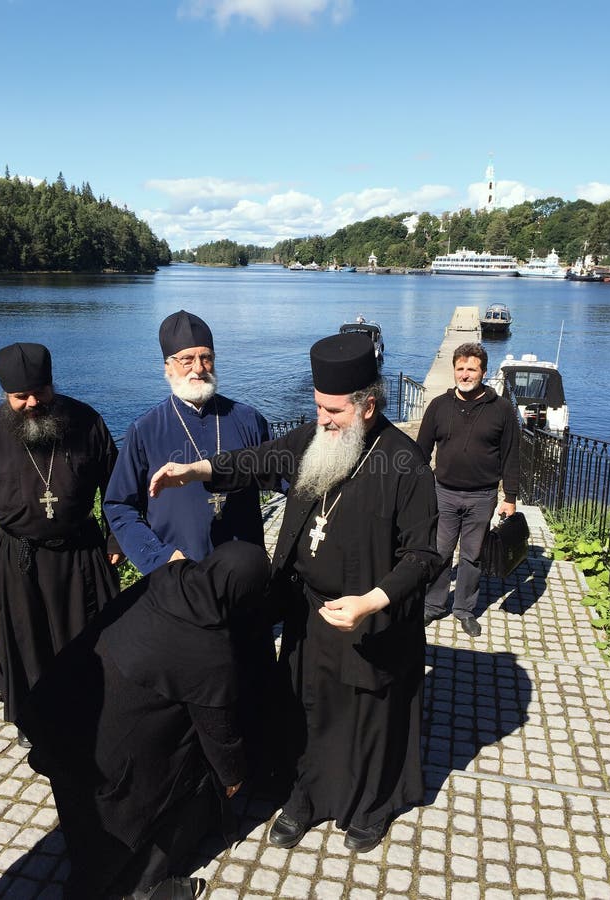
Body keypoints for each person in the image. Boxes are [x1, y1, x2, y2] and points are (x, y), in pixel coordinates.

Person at [149, 332, 440, 854]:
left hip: (370, 619)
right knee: (306, 709)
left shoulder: (406, 464)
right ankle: (303, 798)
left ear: (368, 405)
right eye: (319, 408)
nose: (323, 420)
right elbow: (255, 461)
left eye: (333, 412)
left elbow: (424, 556)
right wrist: (195, 471)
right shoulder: (312, 441)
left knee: (367, 717)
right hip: (309, 611)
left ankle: (369, 807)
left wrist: (373, 600)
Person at [17, 541, 271, 900]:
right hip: (106, 760)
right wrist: (232, 776)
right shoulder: (211, 651)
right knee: (190, 781)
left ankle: (87, 858)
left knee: (79, 811)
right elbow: (219, 734)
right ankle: (147, 886)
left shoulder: (170, 576)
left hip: (60, 709)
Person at [0, 343, 121, 740]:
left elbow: (116, 486)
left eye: (41, 392)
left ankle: (91, 709)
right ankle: (35, 718)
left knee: (86, 635)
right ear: (6, 394)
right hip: (17, 557)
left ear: (52, 384)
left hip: (80, 551)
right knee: (25, 640)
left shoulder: (85, 421)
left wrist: (116, 539)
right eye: (21, 396)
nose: (33, 402)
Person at [104, 309, 270, 574]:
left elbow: (283, 476)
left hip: (244, 572)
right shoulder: (145, 429)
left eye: (206, 358)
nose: (198, 368)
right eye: (187, 359)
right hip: (177, 572)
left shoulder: (248, 419)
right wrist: (160, 557)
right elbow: (119, 505)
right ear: (168, 367)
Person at [417, 342, 520, 638]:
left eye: (471, 369)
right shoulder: (439, 406)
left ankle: (464, 609)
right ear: (453, 370)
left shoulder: (500, 409)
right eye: (460, 368)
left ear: (483, 372)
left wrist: (509, 497)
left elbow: (511, 454)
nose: (465, 374)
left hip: (483, 495)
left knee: (472, 556)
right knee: (439, 551)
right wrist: (416, 489)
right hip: (443, 492)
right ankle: (434, 604)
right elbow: (421, 452)